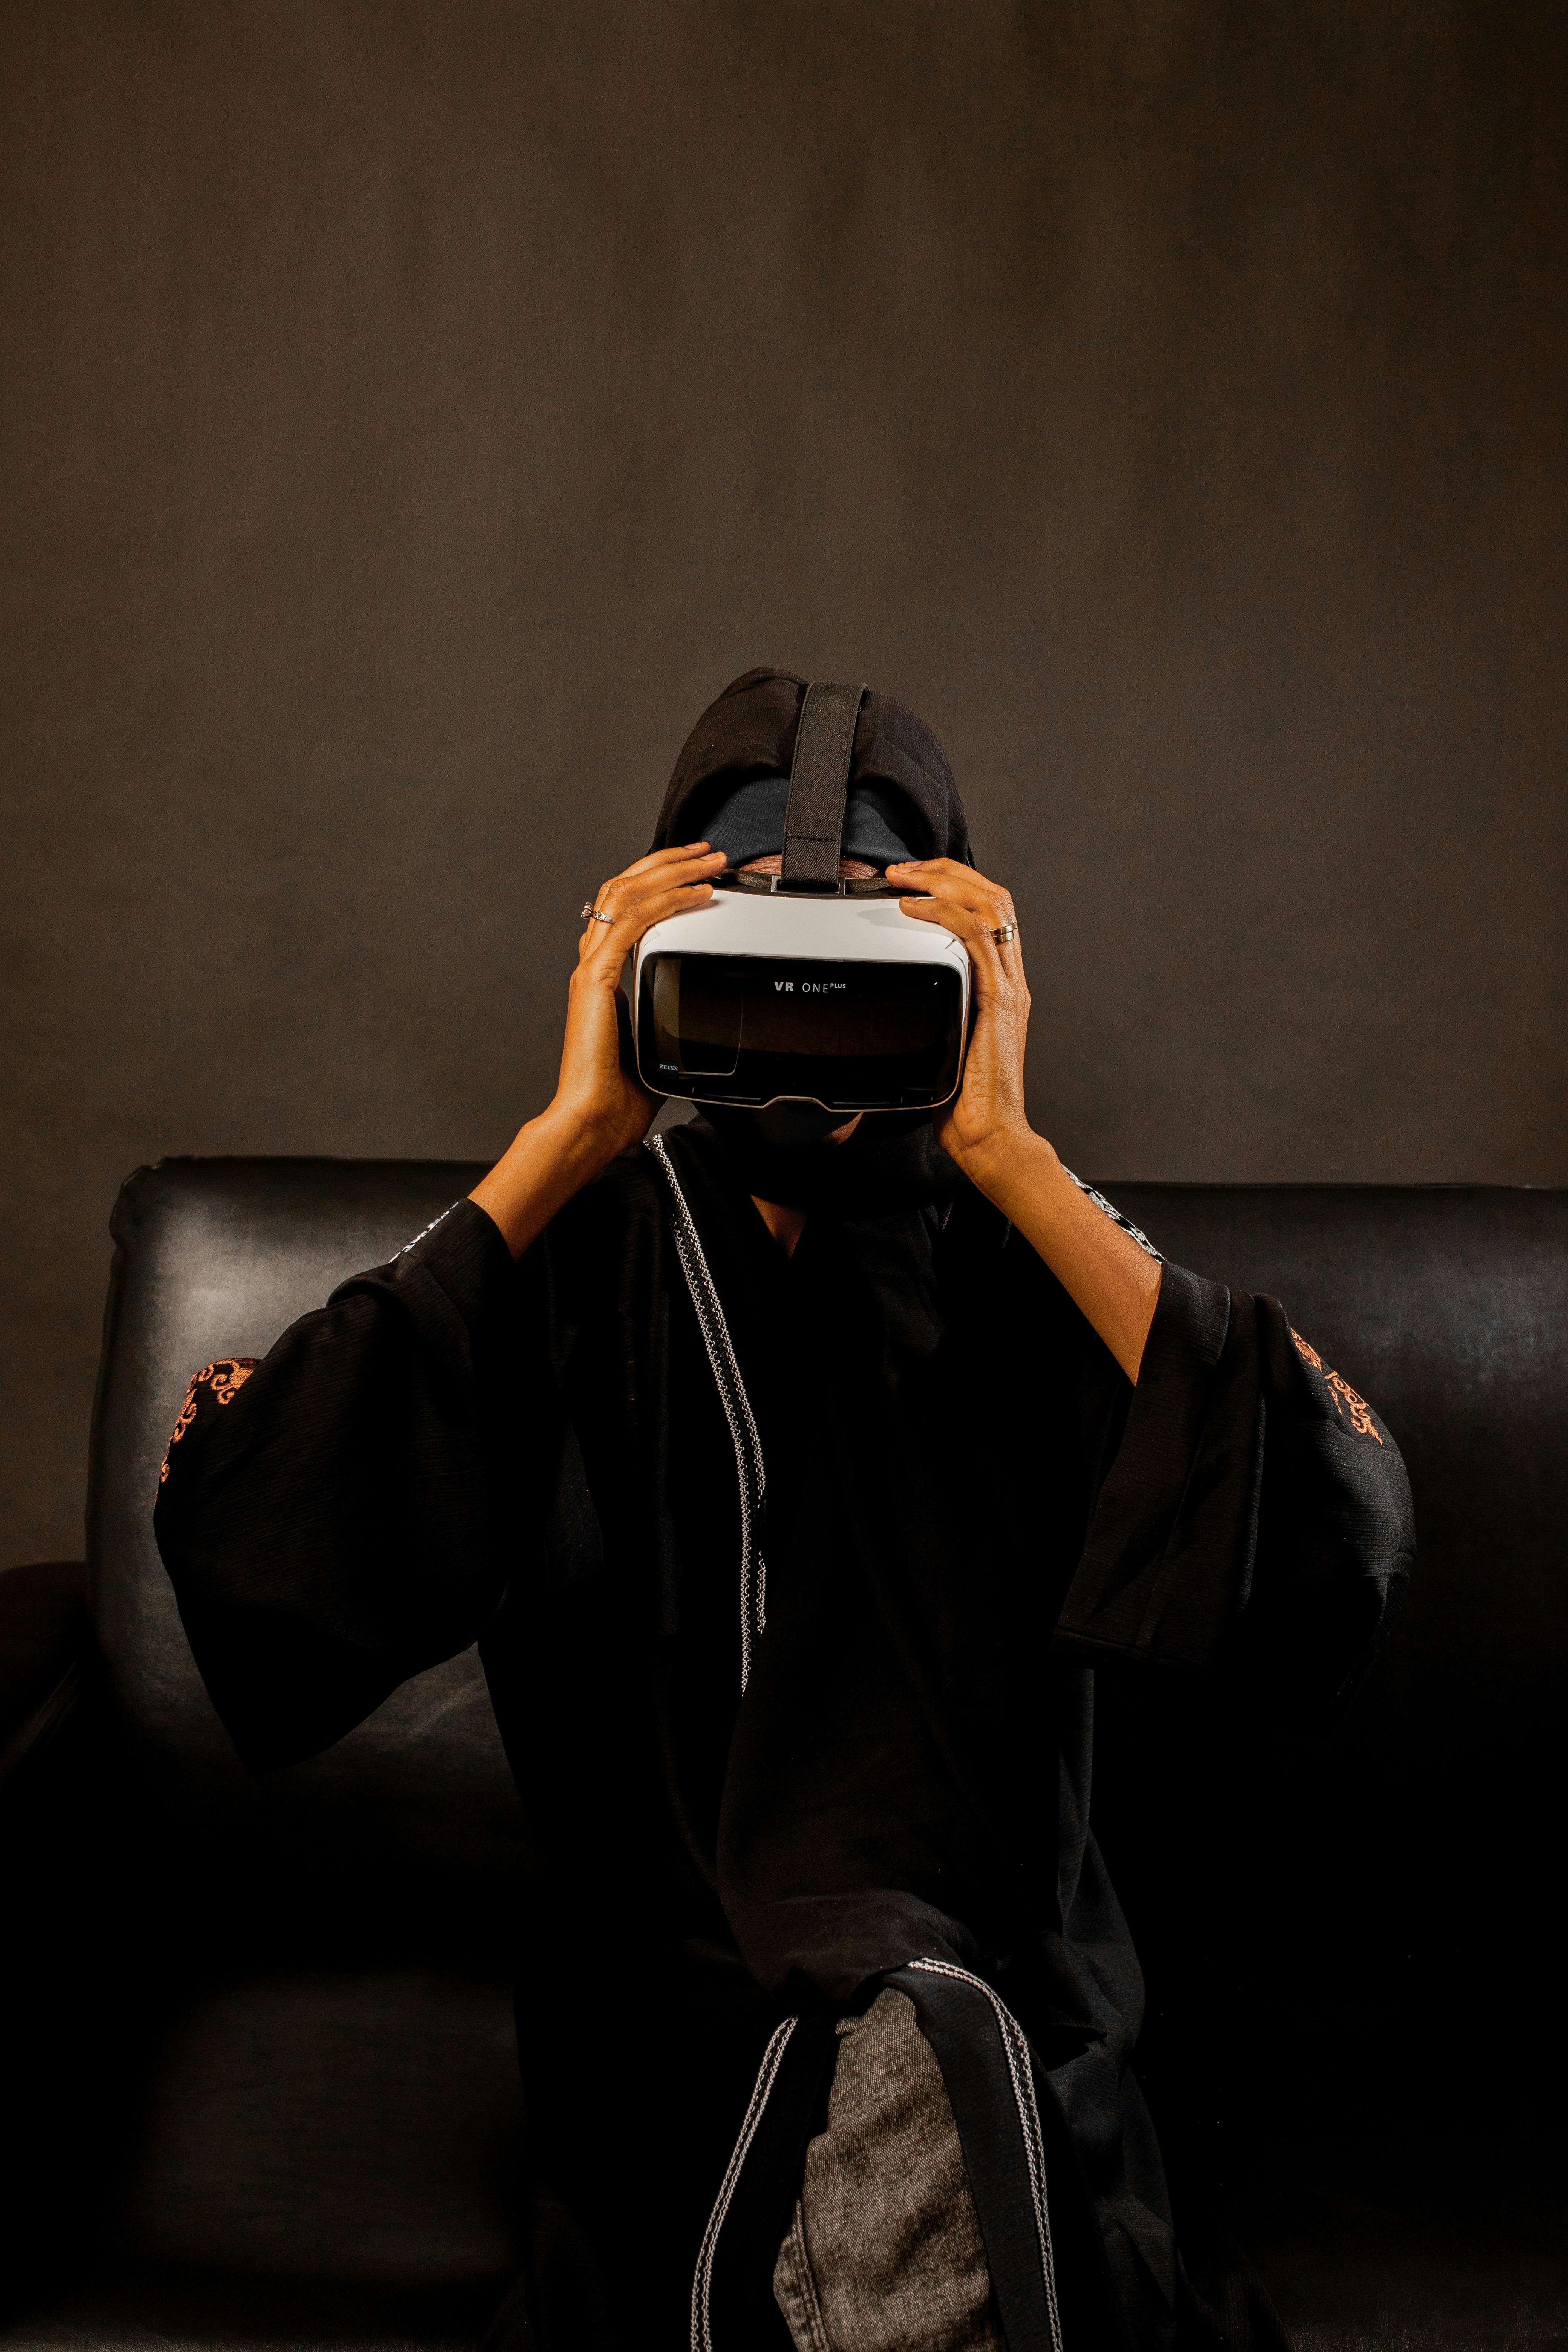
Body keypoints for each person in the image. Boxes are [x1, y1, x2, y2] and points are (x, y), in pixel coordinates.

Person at [155, 667, 1414, 2352]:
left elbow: (1338, 1536)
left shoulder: (1033, 1275)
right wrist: (571, 1128)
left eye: (856, 967)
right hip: (668, 1998)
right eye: (747, 960)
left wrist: (1017, 1157)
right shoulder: (574, 1264)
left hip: (995, 1993)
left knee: (970, 2133)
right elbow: (254, 1527)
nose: (804, 1020)